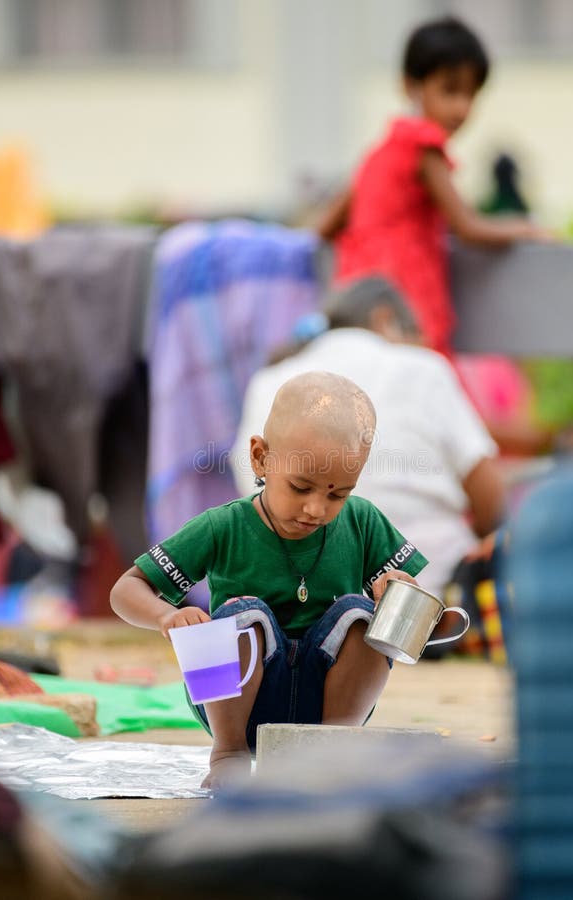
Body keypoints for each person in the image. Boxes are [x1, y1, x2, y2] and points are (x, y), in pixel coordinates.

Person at [110, 372, 427, 789]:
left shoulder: (363, 521)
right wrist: (166, 617)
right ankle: (228, 754)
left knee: (363, 616)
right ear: (260, 458)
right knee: (241, 615)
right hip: (235, 705)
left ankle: (335, 753)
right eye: (301, 487)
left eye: (337, 494)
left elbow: (414, 610)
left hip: (328, 704)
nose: (316, 508)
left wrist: (398, 592)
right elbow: (126, 590)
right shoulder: (223, 526)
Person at [231, 277, 505, 600]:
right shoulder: (424, 369)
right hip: (429, 588)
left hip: (293, 596)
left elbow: (249, 487)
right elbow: (489, 496)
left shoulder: (270, 379)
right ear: (385, 319)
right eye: (416, 335)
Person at [316, 16, 549, 357]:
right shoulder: (424, 146)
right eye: (450, 90)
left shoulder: (380, 152)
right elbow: (468, 226)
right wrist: (526, 229)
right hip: (405, 298)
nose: (462, 108)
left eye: (471, 94)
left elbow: (325, 227)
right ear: (412, 86)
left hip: (359, 298)